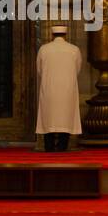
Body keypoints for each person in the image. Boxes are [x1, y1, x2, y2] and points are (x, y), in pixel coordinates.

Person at [35, 24, 82, 152]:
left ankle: (49, 147)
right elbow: (77, 69)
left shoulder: (44, 49)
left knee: (48, 118)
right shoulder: (74, 49)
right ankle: (62, 146)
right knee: (65, 118)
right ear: (65, 35)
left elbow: (39, 70)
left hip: (49, 89)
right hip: (67, 90)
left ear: (52, 34)